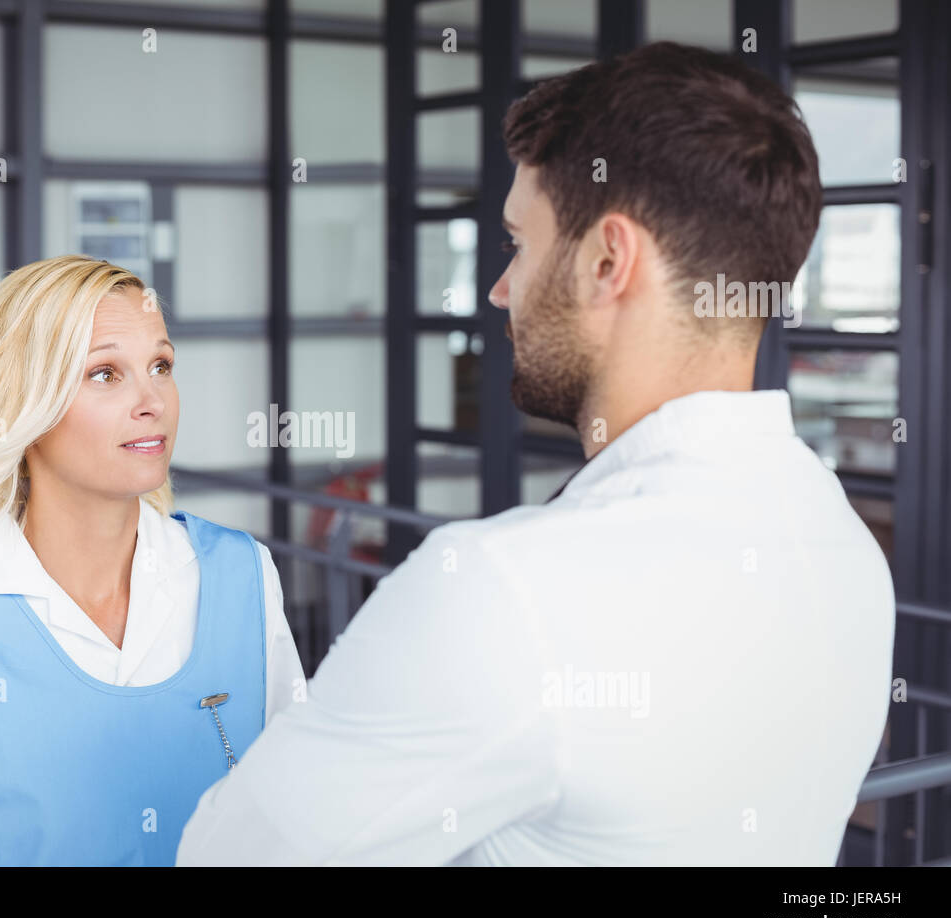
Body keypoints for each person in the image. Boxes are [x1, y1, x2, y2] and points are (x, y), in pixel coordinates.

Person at [176, 42, 895, 866]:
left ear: (607, 260)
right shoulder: (842, 547)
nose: (500, 287)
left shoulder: (505, 592)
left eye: (520, 241)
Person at [0, 255, 303, 865]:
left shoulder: (243, 577)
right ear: (23, 409)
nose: (153, 401)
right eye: (105, 374)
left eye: (161, 366)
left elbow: (296, 825)